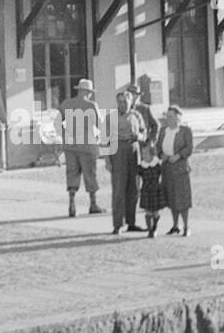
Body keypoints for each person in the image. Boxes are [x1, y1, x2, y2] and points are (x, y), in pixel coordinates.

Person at [60, 78, 104, 218]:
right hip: (87, 145)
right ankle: (93, 204)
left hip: (70, 144)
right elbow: (99, 124)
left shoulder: (67, 103)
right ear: (87, 92)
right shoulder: (91, 105)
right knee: (90, 174)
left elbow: (57, 120)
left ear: (78, 90)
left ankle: (72, 204)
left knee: (72, 173)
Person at [110, 87, 146, 235]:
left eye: (125, 102)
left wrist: (140, 136)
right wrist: (107, 161)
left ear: (131, 102)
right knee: (119, 190)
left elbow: (144, 133)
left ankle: (131, 222)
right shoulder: (112, 117)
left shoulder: (137, 115)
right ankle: (118, 224)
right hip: (118, 151)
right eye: (120, 102)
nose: (122, 104)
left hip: (134, 151)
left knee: (134, 189)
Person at [156, 105, 195, 236]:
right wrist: (162, 155)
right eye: (167, 116)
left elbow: (189, 148)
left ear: (178, 117)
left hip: (180, 168)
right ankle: (175, 225)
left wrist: (178, 155)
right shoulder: (163, 131)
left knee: (182, 198)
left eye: (171, 116)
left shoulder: (185, 131)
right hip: (167, 167)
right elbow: (158, 147)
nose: (168, 119)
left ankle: (186, 226)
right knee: (171, 197)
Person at [136, 138, 167, 238]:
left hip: (156, 189)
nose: (143, 155)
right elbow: (137, 177)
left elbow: (163, 174)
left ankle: (155, 227)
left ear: (151, 154)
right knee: (148, 211)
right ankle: (150, 230)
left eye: (145, 153)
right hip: (146, 189)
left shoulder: (157, 164)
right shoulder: (141, 166)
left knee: (156, 212)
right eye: (142, 153)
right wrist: (138, 189)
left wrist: (163, 185)